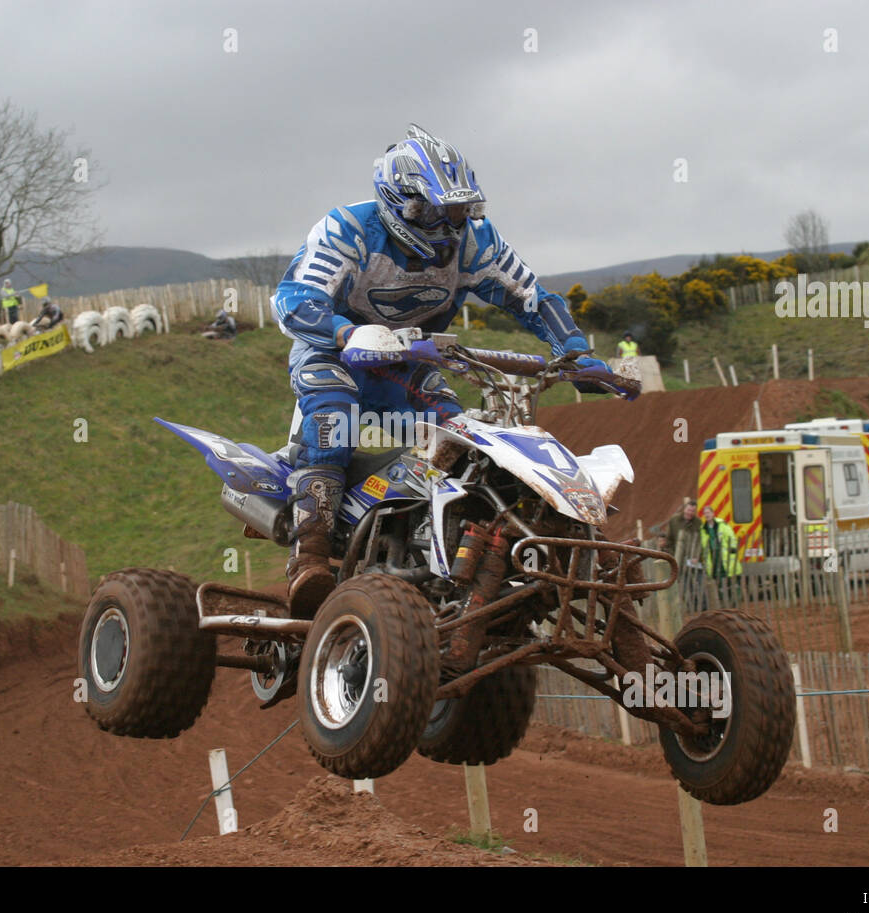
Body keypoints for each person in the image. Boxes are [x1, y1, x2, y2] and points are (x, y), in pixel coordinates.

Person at [271, 124, 631, 616]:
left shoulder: (475, 242)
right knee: (333, 416)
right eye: (433, 212)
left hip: (409, 362)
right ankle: (309, 559)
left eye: (458, 211)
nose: (446, 226)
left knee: (460, 439)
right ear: (399, 203)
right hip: (334, 352)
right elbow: (294, 298)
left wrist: (575, 352)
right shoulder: (348, 229)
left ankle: (437, 554)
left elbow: (532, 298)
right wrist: (346, 334)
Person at [698, 505, 742, 606]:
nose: (707, 515)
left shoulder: (722, 525)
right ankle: (723, 602)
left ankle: (735, 601)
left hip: (725, 556)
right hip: (712, 557)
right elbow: (703, 544)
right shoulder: (703, 529)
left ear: (713, 514)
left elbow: (731, 537)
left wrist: (733, 549)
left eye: (708, 513)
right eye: (705, 513)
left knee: (732, 579)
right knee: (718, 580)